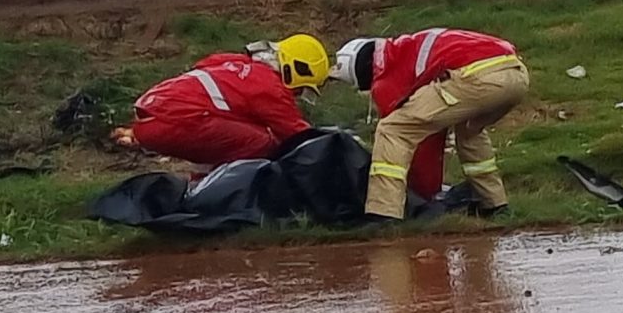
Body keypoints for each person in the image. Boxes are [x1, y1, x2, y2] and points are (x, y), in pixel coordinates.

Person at [331, 28, 531, 221]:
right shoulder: (407, 47)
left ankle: (384, 213)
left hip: (478, 77)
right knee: (470, 132)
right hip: (516, 75)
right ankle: (494, 205)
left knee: (393, 130)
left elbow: (423, 141)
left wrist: (426, 194)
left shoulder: (388, 76)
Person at [128, 34, 329, 167]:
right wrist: (333, 142)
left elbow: (204, 65)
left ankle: (201, 186)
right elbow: (296, 134)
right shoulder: (270, 86)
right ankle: (235, 194)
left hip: (149, 115)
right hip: (177, 120)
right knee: (262, 142)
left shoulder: (235, 61)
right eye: (301, 89)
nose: (297, 94)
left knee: (230, 138)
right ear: (295, 70)